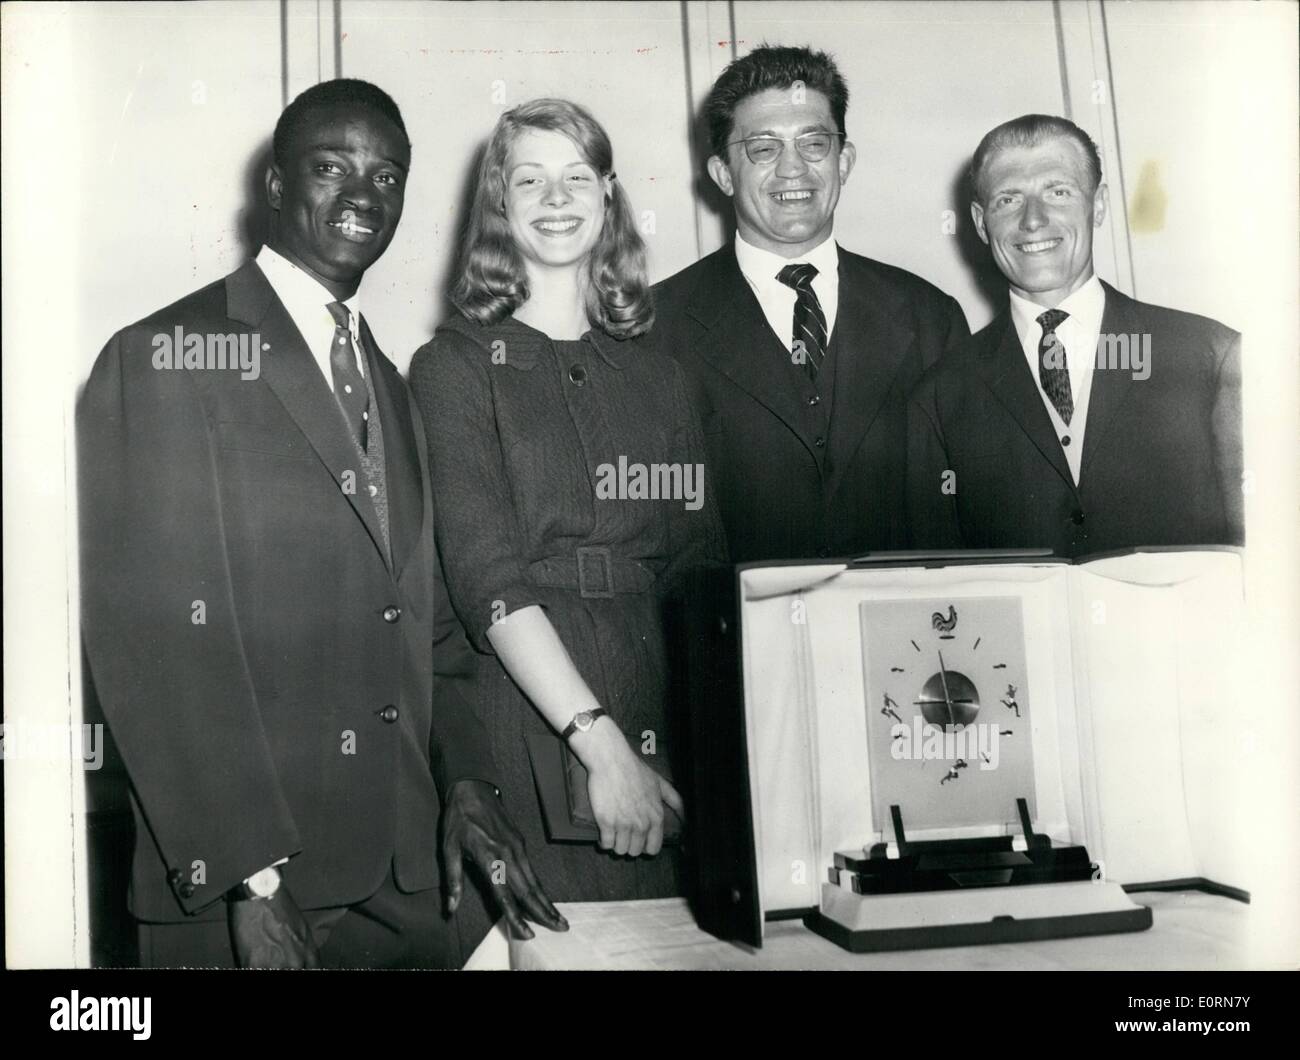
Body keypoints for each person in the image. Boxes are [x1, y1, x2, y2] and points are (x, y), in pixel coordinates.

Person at [77, 78, 564, 969]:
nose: (362, 195)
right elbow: (154, 645)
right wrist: (252, 882)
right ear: (272, 184)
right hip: (250, 895)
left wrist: (466, 782)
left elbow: (434, 629)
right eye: (330, 167)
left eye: (387, 175)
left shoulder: (392, 377)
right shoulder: (163, 357)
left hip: (413, 886)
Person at [408, 98, 727, 922]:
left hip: (665, 711)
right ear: (499, 205)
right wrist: (603, 746)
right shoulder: (452, 367)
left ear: (610, 196)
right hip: (533, 719)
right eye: (530, 179)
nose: (556, 198)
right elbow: (489, 583)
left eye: (577, 177)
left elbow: (700, 570)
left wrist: (708, 754)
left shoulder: (664, 378)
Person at [652, 45, 970, 563]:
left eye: (813, 143)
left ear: (843, 162)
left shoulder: (930, 317)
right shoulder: (654, 328)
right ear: (723, 173)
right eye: (763, 148)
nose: (792, 169)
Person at [907, 114, 1243, 556]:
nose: (1033, 220)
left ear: (1098, 205)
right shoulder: (940, 395)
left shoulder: (1210, 355)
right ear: (980, 222)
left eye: (1058, 192)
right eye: (1008, 199)